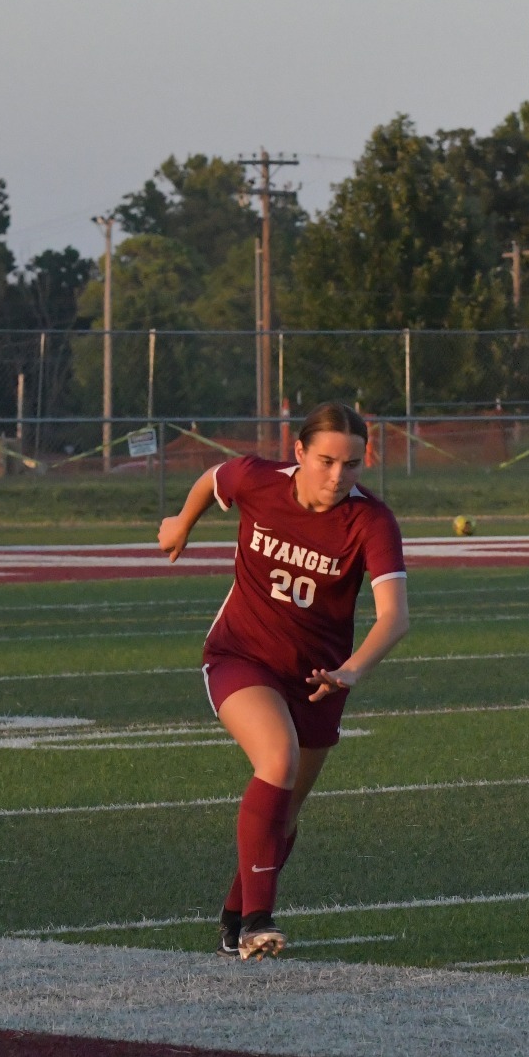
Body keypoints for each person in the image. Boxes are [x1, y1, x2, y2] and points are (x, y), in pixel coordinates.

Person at [157, 402, 409, 960]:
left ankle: (232, 918)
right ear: (299, 452)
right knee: (278, 758)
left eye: (351, 464)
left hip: (321, 678)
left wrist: (351, 671)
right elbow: (213, 479)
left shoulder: (370, 520)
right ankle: (257, 920)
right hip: (240, 655)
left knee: (286, 812)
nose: (338, 476)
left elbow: (395, 617)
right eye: (326, 461)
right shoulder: (259, 479)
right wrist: (181, 523)